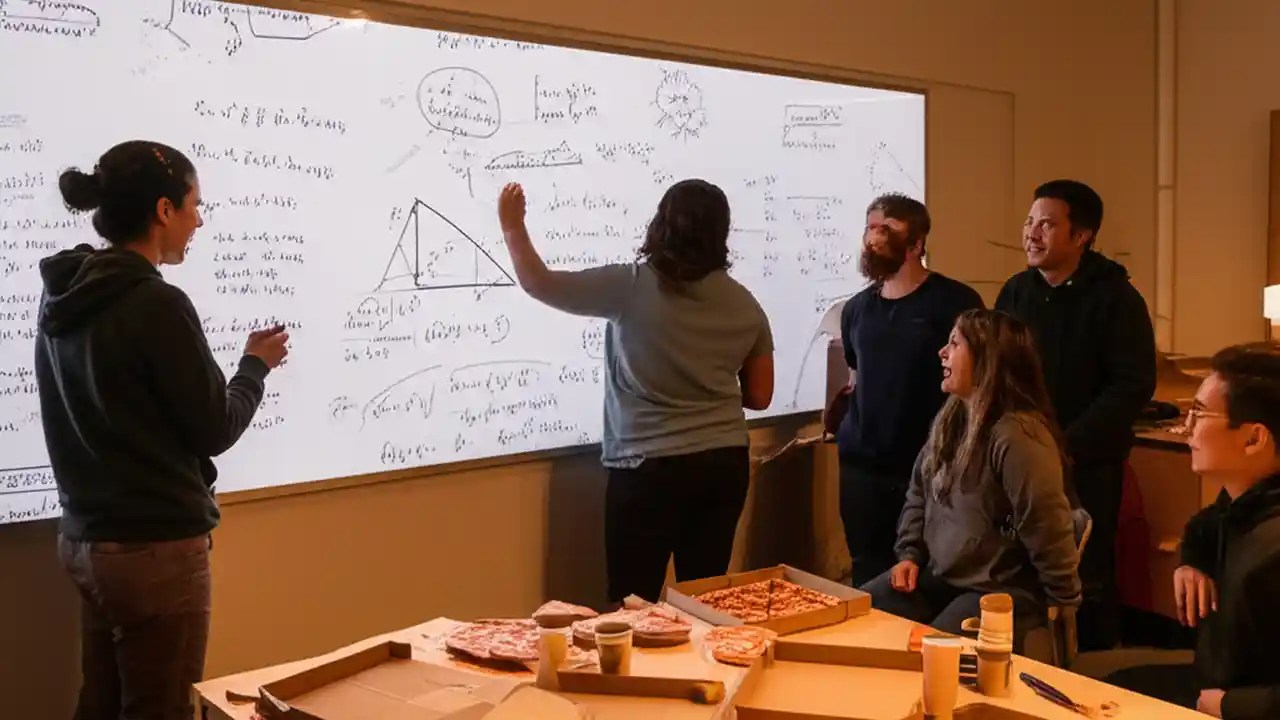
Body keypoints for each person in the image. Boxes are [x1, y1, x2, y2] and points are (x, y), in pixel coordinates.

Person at [35, 140, 290, 720]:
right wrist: (254, 367)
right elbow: (214, 426)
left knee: (99, 703)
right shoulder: (156, 303)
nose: (200, 220)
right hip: (155, 553)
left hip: (86, 544)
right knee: (161, 709)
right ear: (163, 211)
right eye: (195, 205)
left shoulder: (66, 295)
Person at [496, 179, 773, 604]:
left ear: (661, 224)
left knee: (633, 604)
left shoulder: (630, 285)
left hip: (647, 468)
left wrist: (512, 226)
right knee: (703, 599)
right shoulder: (746, 303)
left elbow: (539, 283)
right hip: (723, 463)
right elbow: (759, 395)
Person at [994, 179, 1156, 650]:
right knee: (1023, 566)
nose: (1032, 234)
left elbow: (1131, 386)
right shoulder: (1016, 292)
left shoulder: (1116, 299)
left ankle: (1100, 673)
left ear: (1081, 235)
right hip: (1022, 460)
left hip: (1087, 464)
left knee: (1088, 576)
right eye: (1029, 222)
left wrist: (1066, 443)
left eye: (1047, 224)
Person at [864, 309, 1081, 653]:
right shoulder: (952, 417)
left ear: (987, 360)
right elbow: (919, 492)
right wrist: (909, 554)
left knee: (926, 655)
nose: (942, 352)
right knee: (856, 616)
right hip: (942, 576)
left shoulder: (1018, 436)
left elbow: (1046, 523)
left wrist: (1062, 609)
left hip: (1000, 591)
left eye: (954, 343)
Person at [1106, 343, 1280, 718]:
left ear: (1253, 439)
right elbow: (1202, 526)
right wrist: (1192, 563)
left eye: (1198, 413)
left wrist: (1231, 706)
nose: (1186, 426)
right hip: (1211, 683)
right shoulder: (1242, 502)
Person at [831, 193, 984, 586]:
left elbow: (976, 384)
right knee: (866, 567)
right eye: (870, 228)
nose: (875, 239)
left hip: (929, 464)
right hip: (862, 467)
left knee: (928, 571)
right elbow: (855, 375)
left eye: (887, 229)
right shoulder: (856, 310)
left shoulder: (956, 302)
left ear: (917, 244)